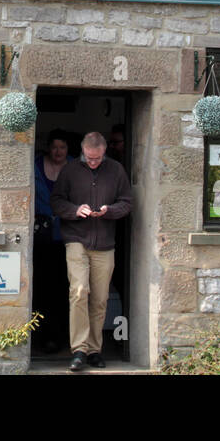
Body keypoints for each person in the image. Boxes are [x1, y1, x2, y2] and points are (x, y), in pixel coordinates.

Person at [50, 131, 133, 371]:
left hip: (105, 243)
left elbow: (127, 202)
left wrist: (110, 210)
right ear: (83, 152)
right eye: (89, 158)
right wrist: (76, 210)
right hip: (76, 238)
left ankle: (95, 349)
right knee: (78, 291)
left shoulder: (116, 170)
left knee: (100, 299)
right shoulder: (70, 170)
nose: (93, 162)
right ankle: (79, 350)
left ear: (104, 152)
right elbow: (56, 201)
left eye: (97, 158)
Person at [33, 129, 71, 353]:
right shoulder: (35, 164)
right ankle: (39, 337)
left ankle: (59, 337)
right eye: (55, 147)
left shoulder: (76, 168)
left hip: (68, 237)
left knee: (62, 289)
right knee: (40, 287)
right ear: (48, 147)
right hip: (40, 236)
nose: (58, 151)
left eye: (63, 147)